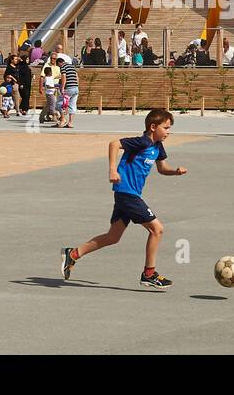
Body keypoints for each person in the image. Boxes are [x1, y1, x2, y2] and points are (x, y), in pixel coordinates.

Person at [60, 109, 186, 289]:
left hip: (129, 194)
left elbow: (162, 168)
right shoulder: (141, 142)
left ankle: (73, 254)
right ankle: (149, 274)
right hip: (127, 193)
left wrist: (175, 171)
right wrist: (112, 169)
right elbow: (114, 144)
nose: (168, 131)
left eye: (169, 128)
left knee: (113, 236)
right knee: (157, 229)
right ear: (153, 127)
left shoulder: (157, 147)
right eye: (165, 128)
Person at [56, 54, 79, 129]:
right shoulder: (72, 66)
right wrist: (76, 85)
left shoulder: (63, 66)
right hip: (75, 88)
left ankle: (63, 120)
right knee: (72, 105)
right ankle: (70, 123)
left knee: (60, 103)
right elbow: (77, 77)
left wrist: (62, 87)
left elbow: (64, 77)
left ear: (59, 63)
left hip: (68, 88)